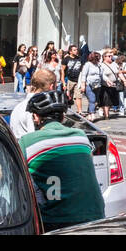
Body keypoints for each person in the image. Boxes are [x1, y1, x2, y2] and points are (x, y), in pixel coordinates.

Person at [19, 90, 106, 231]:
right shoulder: (81, 136)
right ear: (63, 117)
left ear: (36, 117)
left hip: (57, 219)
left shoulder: (27, 141)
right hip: (95, 215)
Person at [10, 68, 57, 141]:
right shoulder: (34, 108)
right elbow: (33, 139)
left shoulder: (19, 107)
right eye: (55, 87)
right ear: (51, 87)